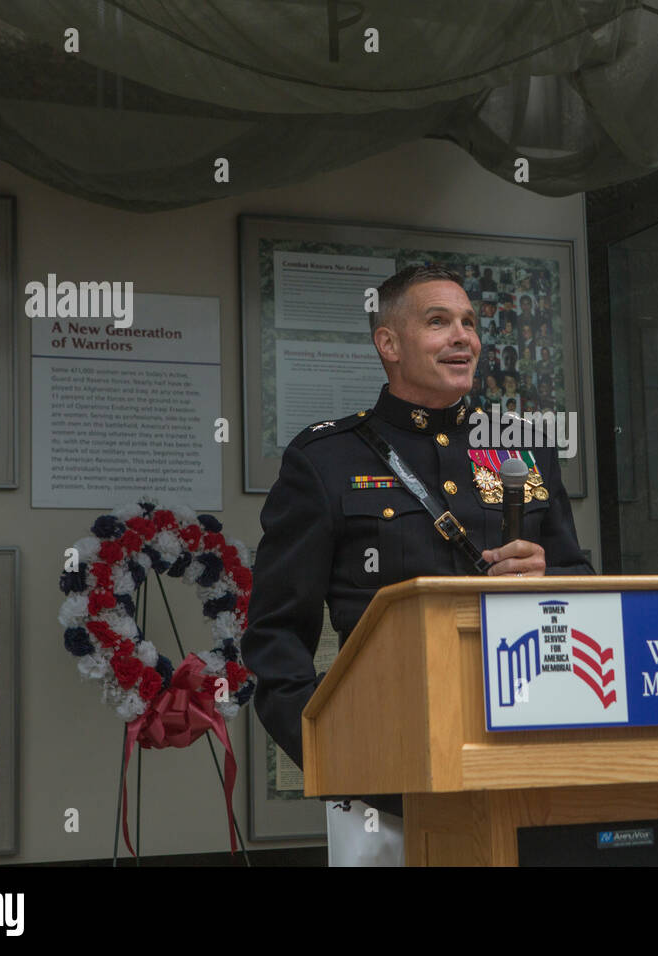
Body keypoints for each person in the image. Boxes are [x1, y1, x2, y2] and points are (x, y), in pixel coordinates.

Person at [242, 264, 592, 867]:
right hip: (388, 779)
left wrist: (550, 579)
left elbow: (584, 591)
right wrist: (335, 752)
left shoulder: (517, 453)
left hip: (523, 755)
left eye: (469, 323)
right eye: (438, 322)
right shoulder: (326, 460)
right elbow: (275, 635)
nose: (463, 337)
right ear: (389, 344)